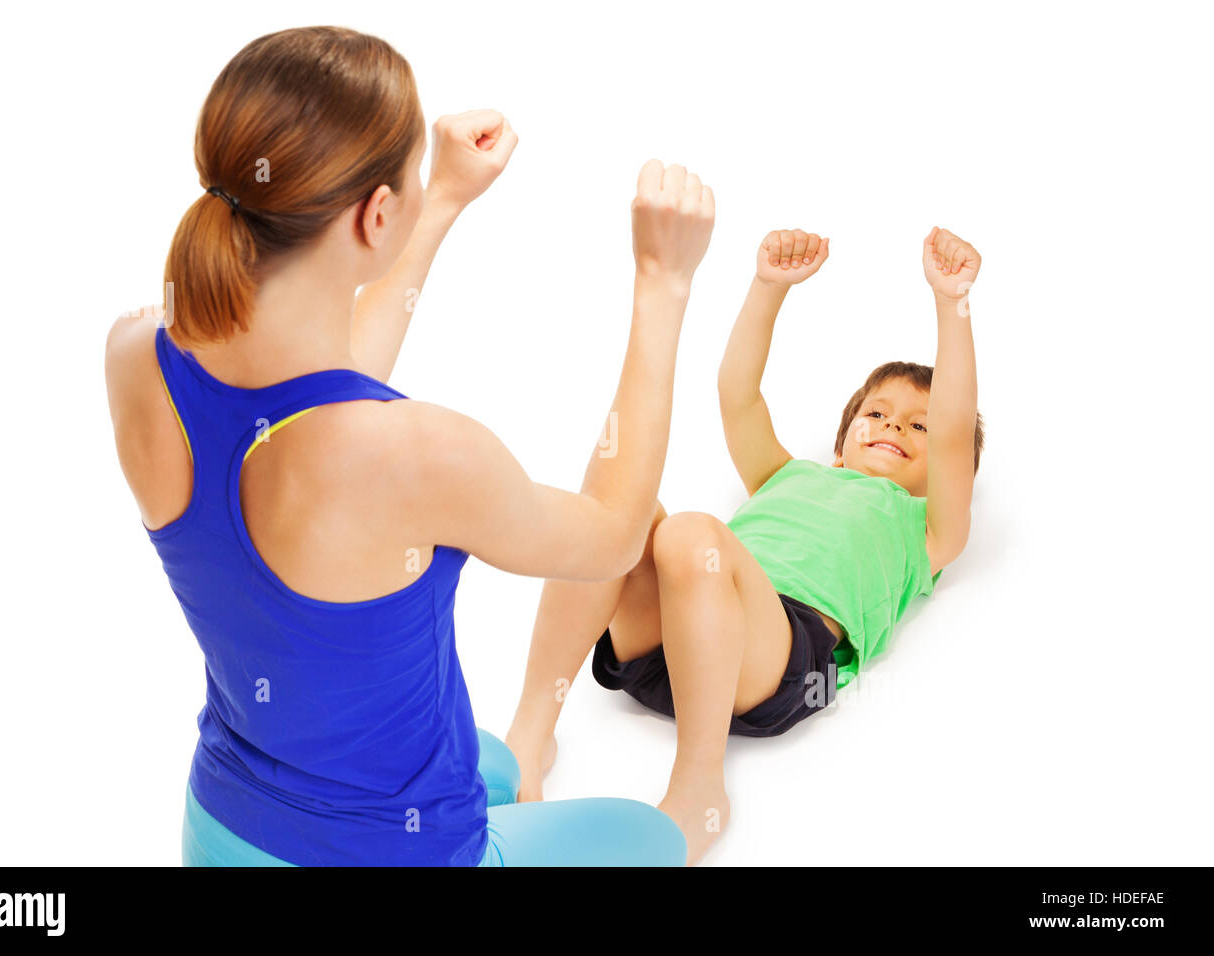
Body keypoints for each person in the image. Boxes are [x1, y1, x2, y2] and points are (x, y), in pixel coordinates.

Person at [104, 25, 715, 866]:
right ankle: (692, 803)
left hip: (220, 834)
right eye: (410, 186)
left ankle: (515, 768)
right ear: (376, 213)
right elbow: (612, 535)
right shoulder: (423, 454)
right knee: (649, 835)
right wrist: (664, 279)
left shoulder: (136, 352)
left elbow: (317, 394)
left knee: (493, 758)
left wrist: (445, 199)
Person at [504, 225, 985, 864]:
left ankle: (699, 784)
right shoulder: (787, 474)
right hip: (670, 646)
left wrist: (951, 303)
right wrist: (768, 288)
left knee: (691, 535)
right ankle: (529, 738)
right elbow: (738, 393)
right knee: (627, 511)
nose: (893, 423)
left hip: (773, 663)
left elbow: (956, 430)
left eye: (918, 425)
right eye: (876, 412)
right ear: (839, 445)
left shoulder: (928, 530)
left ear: (951, 475)